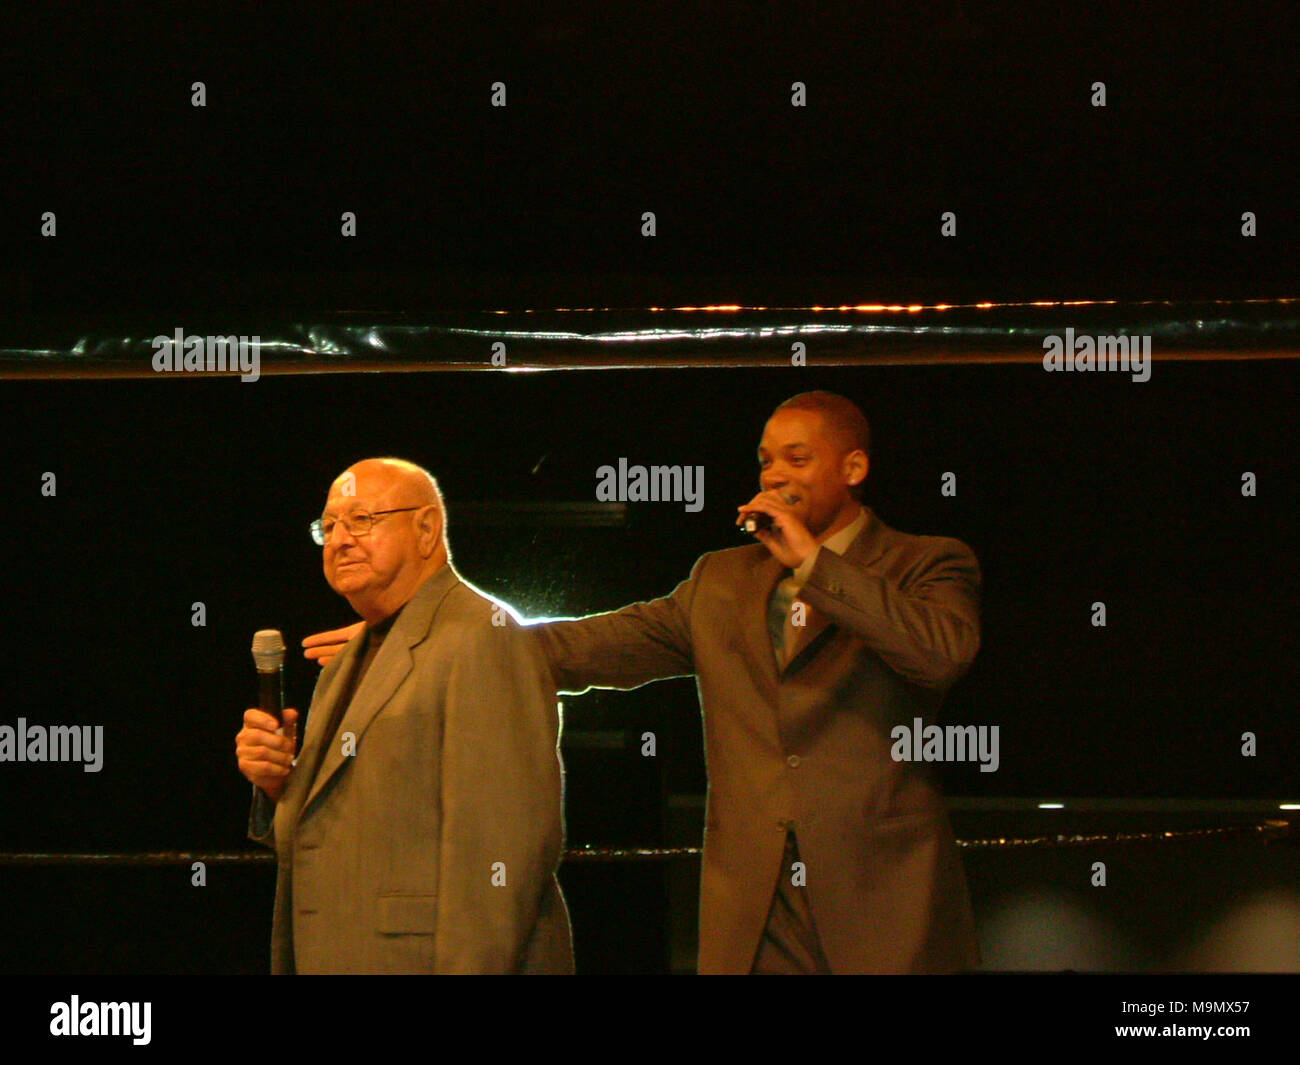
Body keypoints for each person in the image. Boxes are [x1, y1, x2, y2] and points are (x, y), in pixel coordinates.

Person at [305, 394, 981, 973]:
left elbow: (941, 653)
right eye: (765, 460)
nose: (774, 474)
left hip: (882, 900)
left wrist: (814, 563)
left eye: (796, 459)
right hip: (754, 906)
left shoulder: (925, 562)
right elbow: (586, 645)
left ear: (853, 467)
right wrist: (418, 646)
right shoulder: (722, 580)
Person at [237, 458, 572, 974]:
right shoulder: (346, 662)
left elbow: (501, 863)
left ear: (426, 529)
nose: (339, 539)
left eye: (362, 520)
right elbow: (326, 832)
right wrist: (276, 786)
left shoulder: (483, 635)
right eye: (327, 527)